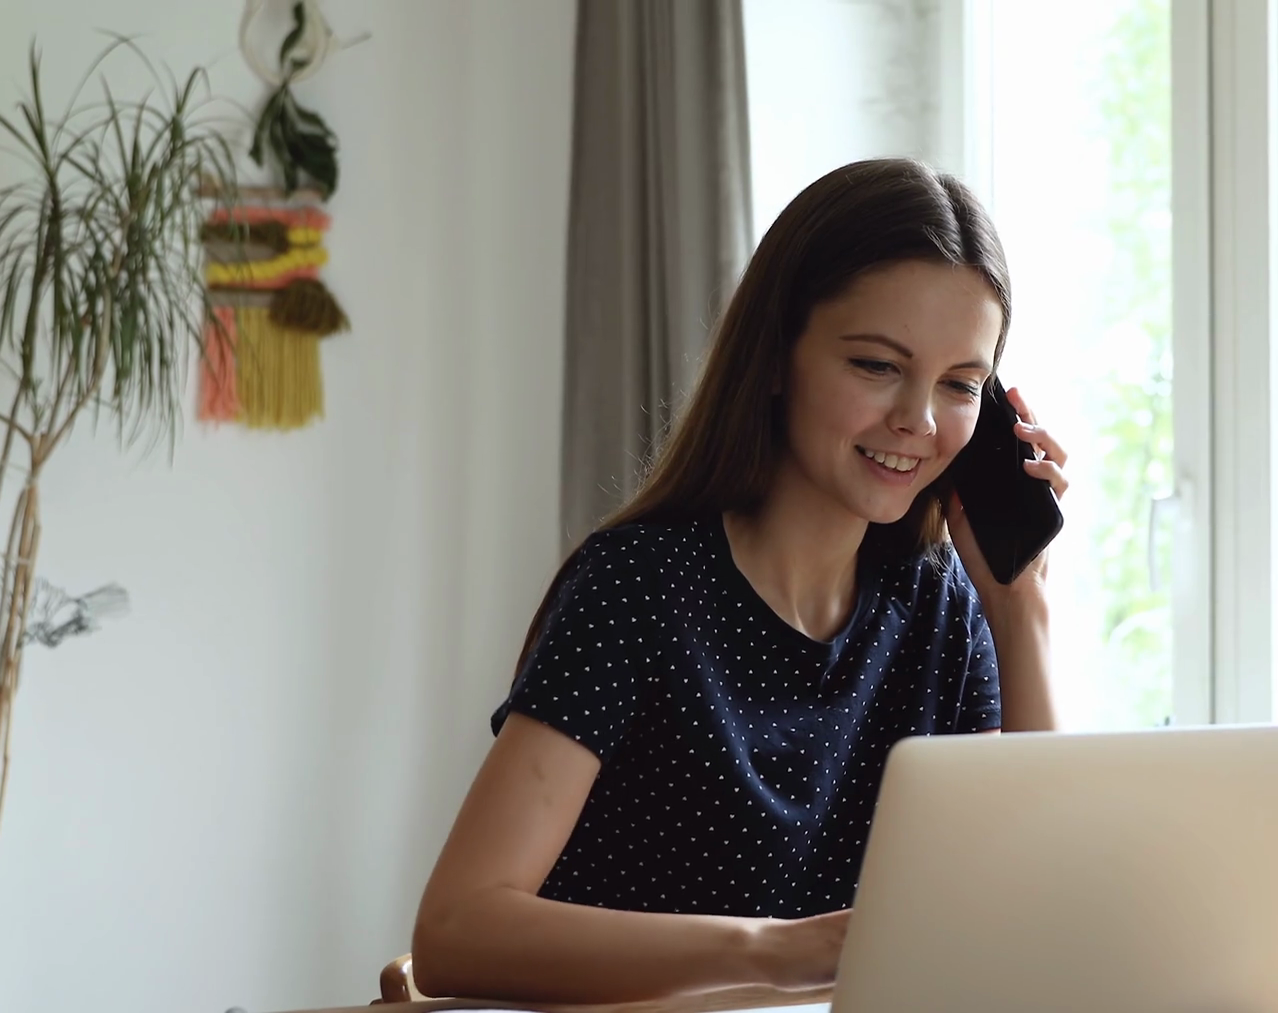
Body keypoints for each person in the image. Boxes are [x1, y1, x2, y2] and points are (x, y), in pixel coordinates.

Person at [412, 157, 1069, 1005]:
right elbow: (457, 930)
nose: (919, 419)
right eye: (876, 365)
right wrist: (780, 951)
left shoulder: (942, 610)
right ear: (774, 358)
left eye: (960, 384)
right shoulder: (637, 588)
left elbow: (1039, 907)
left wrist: (1021, 609)